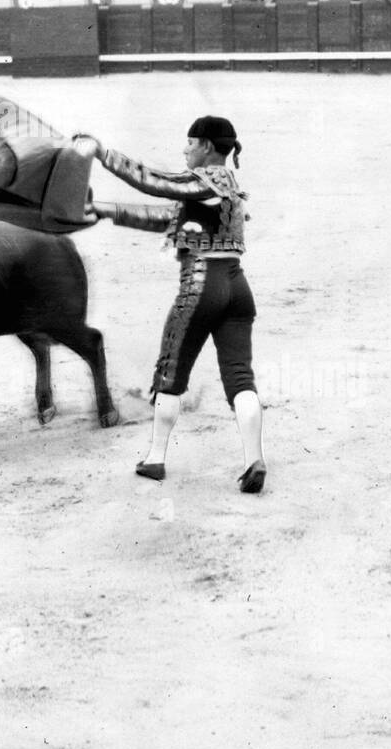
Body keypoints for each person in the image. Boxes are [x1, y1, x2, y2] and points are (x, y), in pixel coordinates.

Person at [76, 115, 266, 493]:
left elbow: (155, 183)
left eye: (190, 143)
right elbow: (168, 217)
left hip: (200, 286)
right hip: (238, 288)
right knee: (240, 376)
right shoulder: (223, 187)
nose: (185, 149)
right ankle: (253, 459)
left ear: (208, 147)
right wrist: (106, 211)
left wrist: (102, 153)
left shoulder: (203, 181)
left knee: (170, 373)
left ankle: (156, 458)